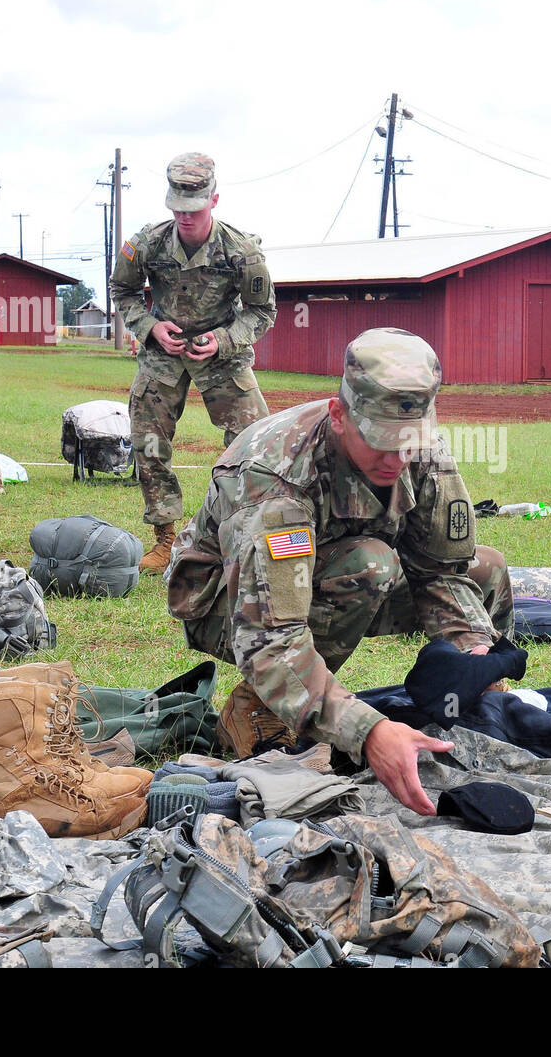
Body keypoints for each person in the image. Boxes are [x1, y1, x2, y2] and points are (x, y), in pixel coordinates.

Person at [167, 328, 517, 815]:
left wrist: (473, 652)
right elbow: (271, 638)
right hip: (230, 605)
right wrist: (368, 732)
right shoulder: (276, 476)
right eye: (381, 444)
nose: (399, 460)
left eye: (410, 443)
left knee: (488, 569)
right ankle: (257, 709)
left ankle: (483, 708)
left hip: (333, 583)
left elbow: (440, 570)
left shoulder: (419, 450)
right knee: (370, 563)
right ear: (339, 415)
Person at [110, 152, 276, 573]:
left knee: (255, 443)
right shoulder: (146, 244)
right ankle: (165, 539)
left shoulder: (241, 251)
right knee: (147, 443)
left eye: (194, 209)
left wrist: (222, 340)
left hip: (221, 355)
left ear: (213, 200)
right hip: (162, 355)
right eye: (177, 208)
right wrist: (149, 326)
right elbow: (122, 290)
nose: (184, 217)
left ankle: (241, 534)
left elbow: (262, 311)